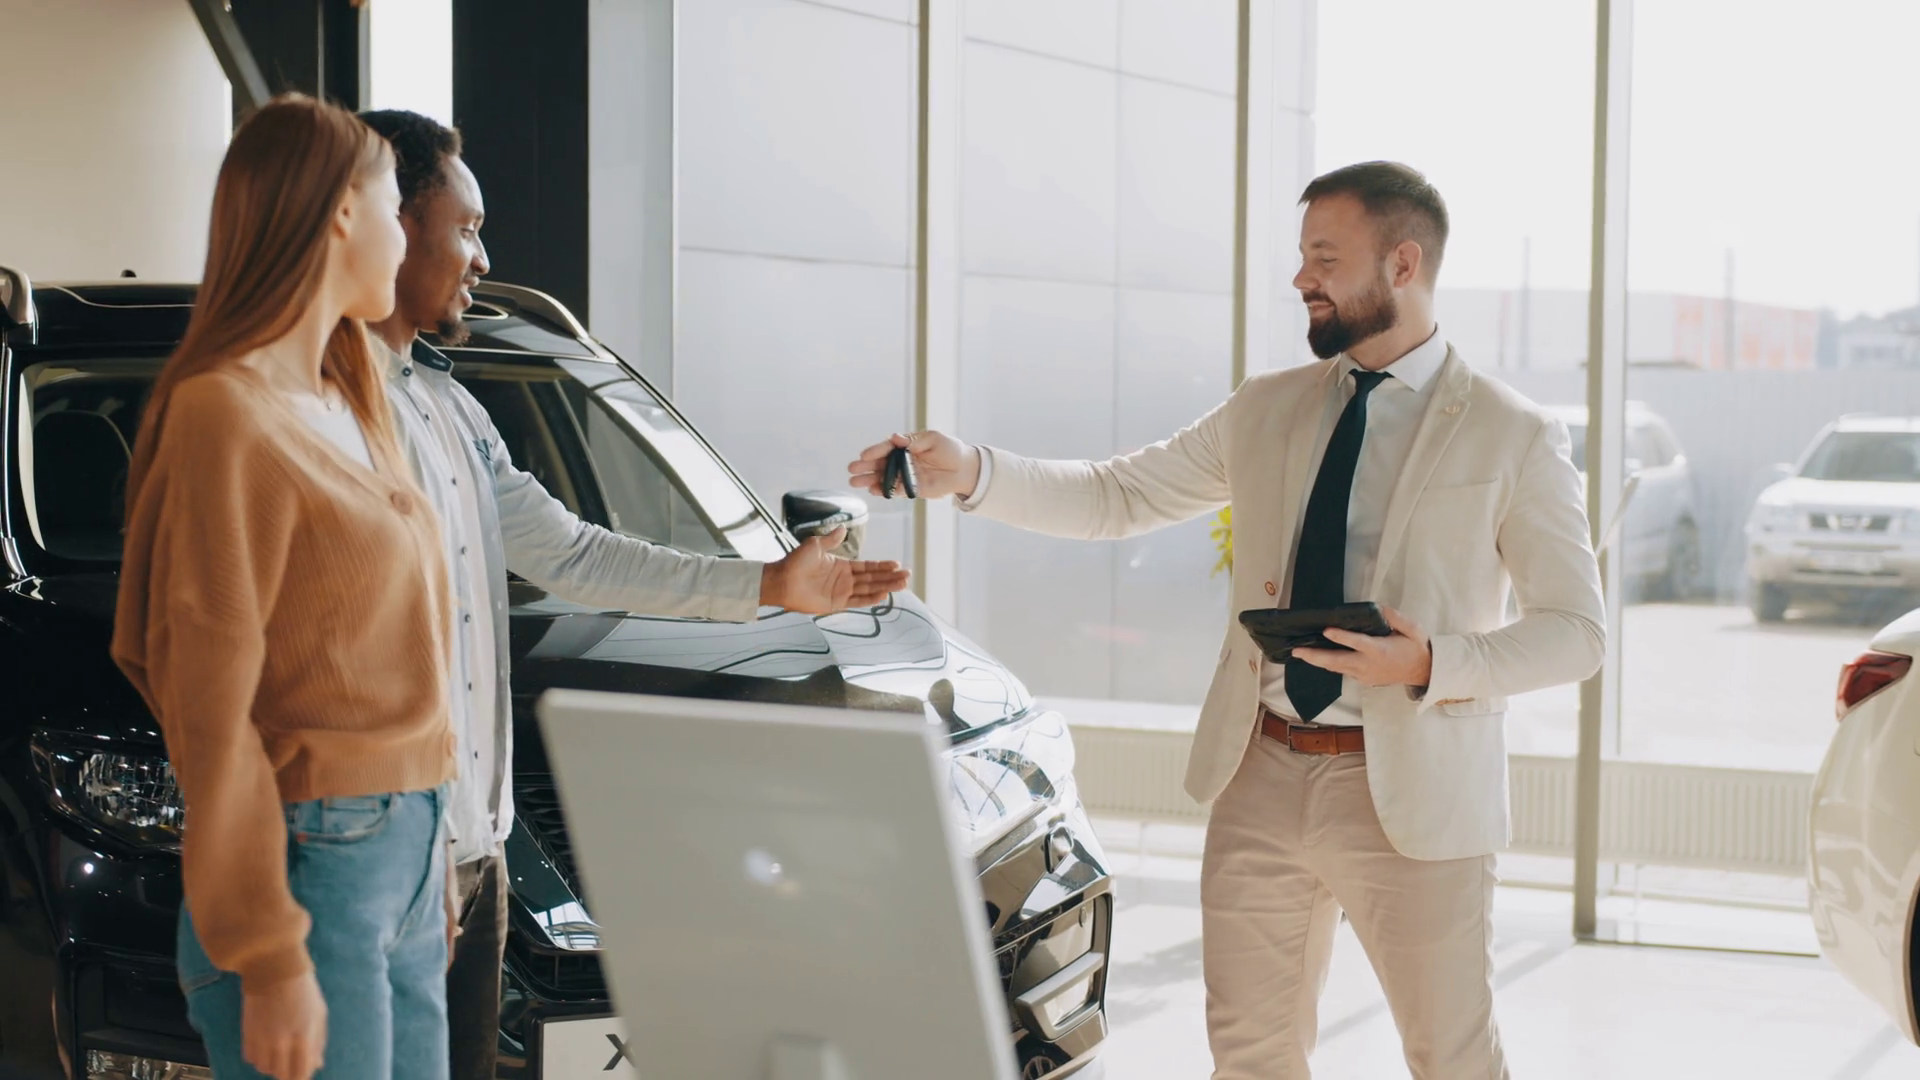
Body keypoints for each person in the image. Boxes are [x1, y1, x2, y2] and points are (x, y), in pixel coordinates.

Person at [851, 162, 1606, 1079]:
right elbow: (1118, 495)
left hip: (1413, 794)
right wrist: (970, 470)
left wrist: (1426, 661)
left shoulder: (1512, 432)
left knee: (1450, 1058)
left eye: (1325, 257)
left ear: (1403, 264)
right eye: (1301, 256)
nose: (1302, 278)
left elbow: (1576, 630)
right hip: (1262, 770)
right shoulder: (1269, 406)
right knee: (1248, 1059)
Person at [353, 109, 912, 1080]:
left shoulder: (449, 406)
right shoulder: (302, 410)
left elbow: (576, 556)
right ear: (388, 226)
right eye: (468, 228)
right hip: (367, 849)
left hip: (469, 853)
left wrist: (771, 584)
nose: (482, 258)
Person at [112, 96, 457, 1080]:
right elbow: (209, 711)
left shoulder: (352, 396)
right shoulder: (224, 413)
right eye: (395, 208)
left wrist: (425, 853)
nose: (406, 235)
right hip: (312, 866)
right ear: (340, 214)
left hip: (399, 852)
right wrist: (267, 957)